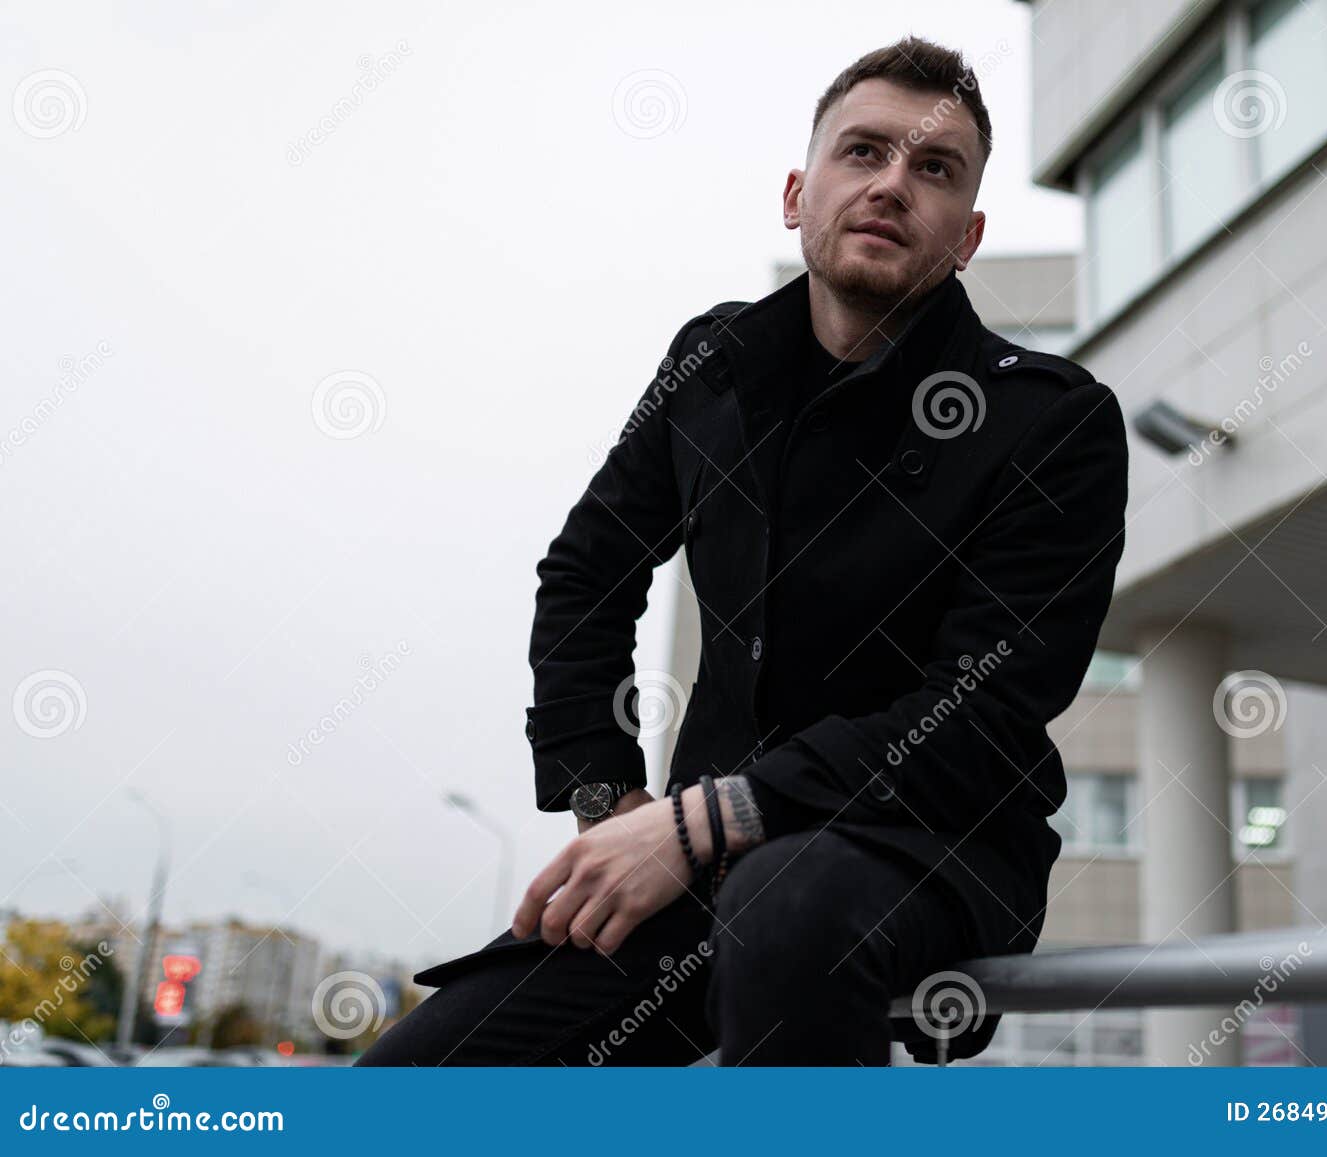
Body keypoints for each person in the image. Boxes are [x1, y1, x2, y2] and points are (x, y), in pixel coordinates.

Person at [356, 34, 1128, 1068]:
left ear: (967, 234)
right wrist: (606, 803)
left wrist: (703, 820)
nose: (891, 184)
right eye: (863, 152)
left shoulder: (1051, 423)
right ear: (796, 191)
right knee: (416, 1076)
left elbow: (983, 710)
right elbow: (585, 576)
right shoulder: (711, 366)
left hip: (926, 847)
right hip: (695, 860)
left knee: (785, 900)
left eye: (933, 168)